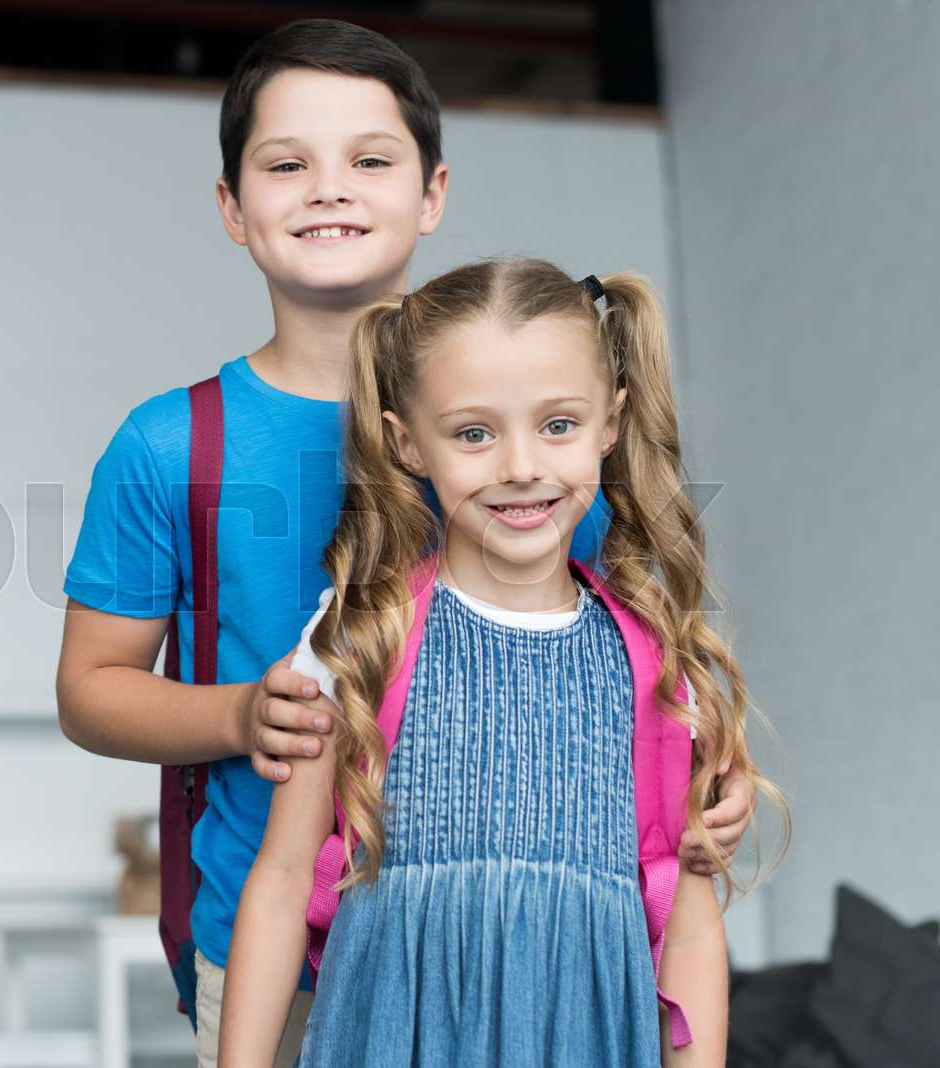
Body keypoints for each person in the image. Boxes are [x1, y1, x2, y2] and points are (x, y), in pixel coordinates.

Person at [55, 21, 756, 1066]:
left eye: (369, 160)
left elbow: (626, 677)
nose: (329, 189)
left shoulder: (533, 447)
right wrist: (242, 712)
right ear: (230, 206)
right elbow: (89, 690)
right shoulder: (171, 443)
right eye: (286, 164)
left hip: (535, 977)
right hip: (277, 952)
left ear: (431, 193)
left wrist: (702, 782)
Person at [219, 259, 788, 1066]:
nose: (521, 465)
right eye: (474, 433)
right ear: (406, 442)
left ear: (611, 424)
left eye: (558, 425)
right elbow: (279, 886)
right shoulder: (360, 642)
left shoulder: (653, 669)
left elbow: (690, 929)